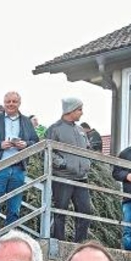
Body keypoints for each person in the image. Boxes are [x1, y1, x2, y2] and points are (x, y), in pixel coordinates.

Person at [0, 91, 40, 237]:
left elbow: (36, 142)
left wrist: (25, 144)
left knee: (14, 209)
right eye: (8, 101)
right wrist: (0, 144)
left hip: (18, 169)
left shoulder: (26, 121)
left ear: (19, 103)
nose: (11, 104)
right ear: (4, 103)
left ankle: (9, 242)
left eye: (14, 101)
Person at [47, 97, 93, 243]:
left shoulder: (80, 130)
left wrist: (87, 164)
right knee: (60, 211)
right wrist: (62, 164)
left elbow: (87, 149)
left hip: (81, 178)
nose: (82, 113)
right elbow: (48, 152)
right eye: (79, 109)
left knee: (85, 212)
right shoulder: (54, 129)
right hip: (63, 177)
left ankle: (80, 244)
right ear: (70, 110)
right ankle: (59, 242)